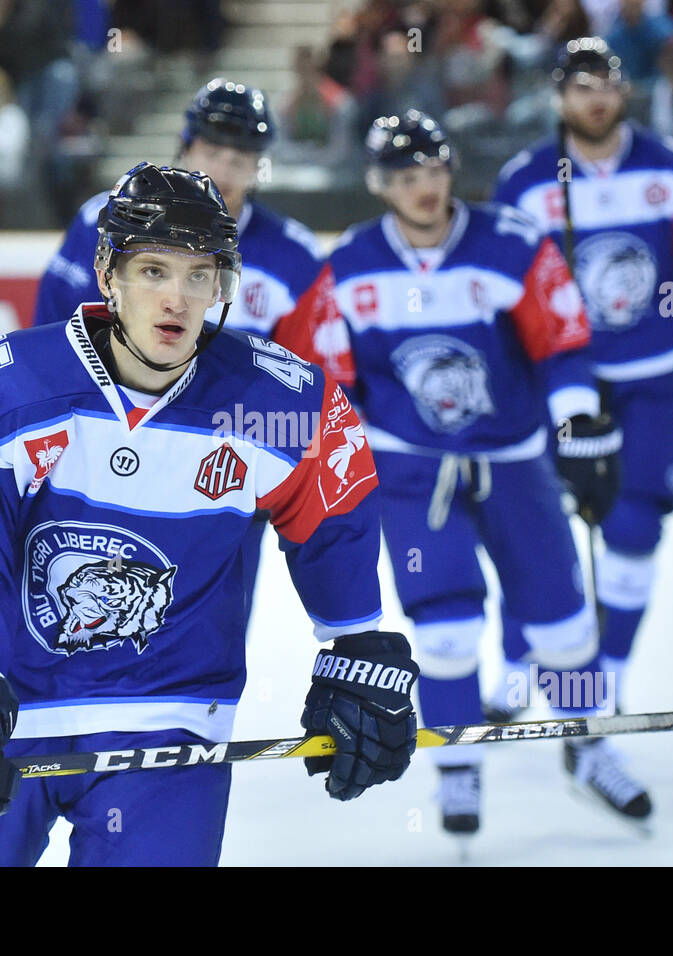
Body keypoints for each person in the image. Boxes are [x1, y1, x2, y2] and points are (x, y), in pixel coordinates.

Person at [0, 162, 418, 867]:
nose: (178, 299)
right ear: (108, 272)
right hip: (8, 713)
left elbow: (334, 508)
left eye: (200, 275)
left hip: (170, 727)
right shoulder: (10, 384)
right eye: (154, 271)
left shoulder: (280, 401)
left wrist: (354, 645)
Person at [280, 110, 644, 834]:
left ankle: (587, 742)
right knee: (444, 634)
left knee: (566, 631)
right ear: (380, 184)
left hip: (514, 465)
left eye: (435, 171)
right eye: (407, 177)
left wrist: (578, 428)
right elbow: (330, 380)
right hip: (413, 475)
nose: (425, 188)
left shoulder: (511, 243)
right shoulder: (350, 264)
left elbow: (563, 342)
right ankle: (456, 771)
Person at [491, 37, 673, 726]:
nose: (594, 98)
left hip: (650, 379)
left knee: (635, 525)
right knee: (534, 528)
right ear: (558, 97)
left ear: (624, 92)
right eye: (580, 86)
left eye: (605, 85)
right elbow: (506, 284)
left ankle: (608, 674)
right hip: (564, 379)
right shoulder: (526, 180)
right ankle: (517, 658)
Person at [35, 78, 330, 624]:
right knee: (85, 611)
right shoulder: (105, 219)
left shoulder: (295, 255)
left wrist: (277, 471)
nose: (225, 168)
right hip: (105, 456)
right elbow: (57, 337)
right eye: (212, 150)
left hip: (224, 473)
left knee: (210, 631)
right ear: (185, 144)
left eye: (242, 157)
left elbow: (304, 381)